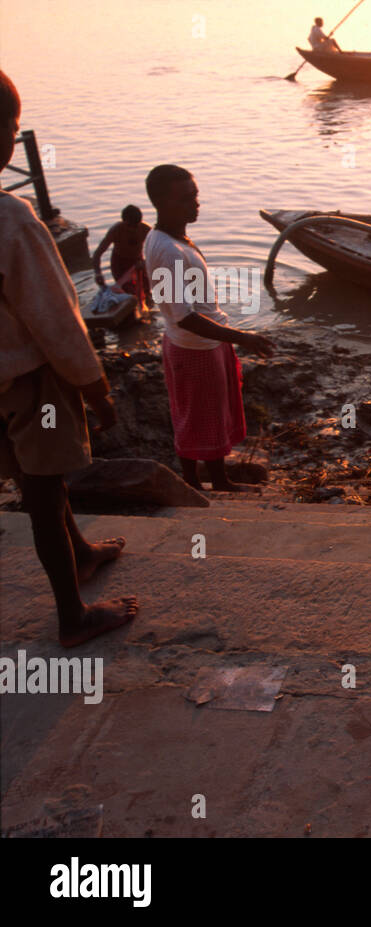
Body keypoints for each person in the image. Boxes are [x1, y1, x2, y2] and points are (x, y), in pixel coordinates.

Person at [0, 70, 138, 647]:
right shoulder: (12, 220)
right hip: (31, 382)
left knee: (36, 482)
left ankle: (80, 551)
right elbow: (55, 318)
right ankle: (72, 615)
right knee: (42, 487)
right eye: (10, 125)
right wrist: (94, 386)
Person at [142, 164, 274, 493]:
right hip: (193, 345)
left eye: (195, 196)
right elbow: (183, 316)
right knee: (200, 416)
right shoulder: (166, 251)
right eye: (186, 199)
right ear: (160, 203)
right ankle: (211, 482)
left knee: (202, 414)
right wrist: (242, 337)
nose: (195, 204)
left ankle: (199, 479)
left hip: (196, 342)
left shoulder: (167, 239)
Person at [91, 205, 150, 302]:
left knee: (146, 291)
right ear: (123, 222)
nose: (132, 229)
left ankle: (147, 313)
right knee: (129, 293)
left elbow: (156, 251)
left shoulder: (145, 230)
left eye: (135, 226)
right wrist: (98, 273)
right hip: (120, 264)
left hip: (137, 262)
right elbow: (97, 254)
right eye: (129, 226)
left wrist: (145, 262)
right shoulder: (116, 230)